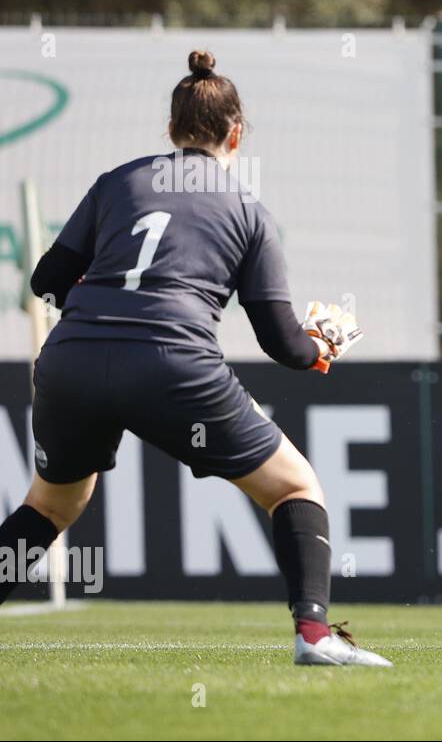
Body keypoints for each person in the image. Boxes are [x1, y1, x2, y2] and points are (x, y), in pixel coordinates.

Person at [0, 50, 390, 667]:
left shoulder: (117, 182)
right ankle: (314, 635)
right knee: (294, 486)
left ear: (171, 129)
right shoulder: (247, 211)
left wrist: (103, 303)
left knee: (50, 506)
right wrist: (324, 345)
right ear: (236, 134)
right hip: (170, 361)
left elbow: (46, 283)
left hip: (70, 356)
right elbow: (284, 347)